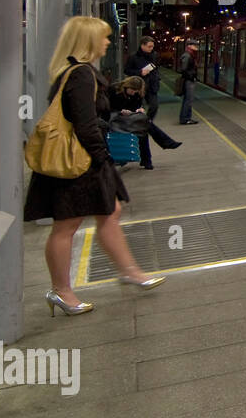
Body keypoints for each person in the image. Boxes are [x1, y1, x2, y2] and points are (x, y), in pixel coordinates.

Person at [24, 16, 165, 316]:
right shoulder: (81, 75)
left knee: (109, 211)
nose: (108, 42)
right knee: (67, 225)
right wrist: (103, 158)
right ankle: (61, 291)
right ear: (88, 41)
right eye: (103, 37)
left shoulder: (75, 72)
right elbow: (85, 124)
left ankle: (130, 272)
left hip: (84, 158)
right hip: (78, 161)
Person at [110, 75, 181, 169]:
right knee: (143, 126)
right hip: (115, 117)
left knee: (143, 127)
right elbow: (107, 107)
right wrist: (121, 111)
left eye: (136, 91)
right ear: (126, 86)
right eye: (132, 90)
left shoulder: (137, 94)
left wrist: (139, 109)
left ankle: (147, 159)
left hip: (129, 118)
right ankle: (161, 146)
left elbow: (137, 105)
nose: (133, 92)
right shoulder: (113, 90)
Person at [124, 35, 162, 121]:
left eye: (152, 46)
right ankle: (137, 123)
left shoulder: (155, 55)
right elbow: (127, 70)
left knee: (154, 106)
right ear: (142, 45)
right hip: (139, 86)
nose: (151, 48)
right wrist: (140, 72)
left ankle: (147, 122)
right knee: (137, 107)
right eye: (149, 46)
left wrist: (156, 77)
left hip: (152, 85)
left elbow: (157, 68)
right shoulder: (133, 57)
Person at [178, 42, 199, 124]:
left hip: (189, 80)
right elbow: (184, 69)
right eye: (195, 45)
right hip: (188, 81)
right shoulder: (187, 55)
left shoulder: (190, 55)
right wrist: (192, 77)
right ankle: (185, 119)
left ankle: (186, 118)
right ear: (189, 46)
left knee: (188, 100)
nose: (196, 47)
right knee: (188, 100)